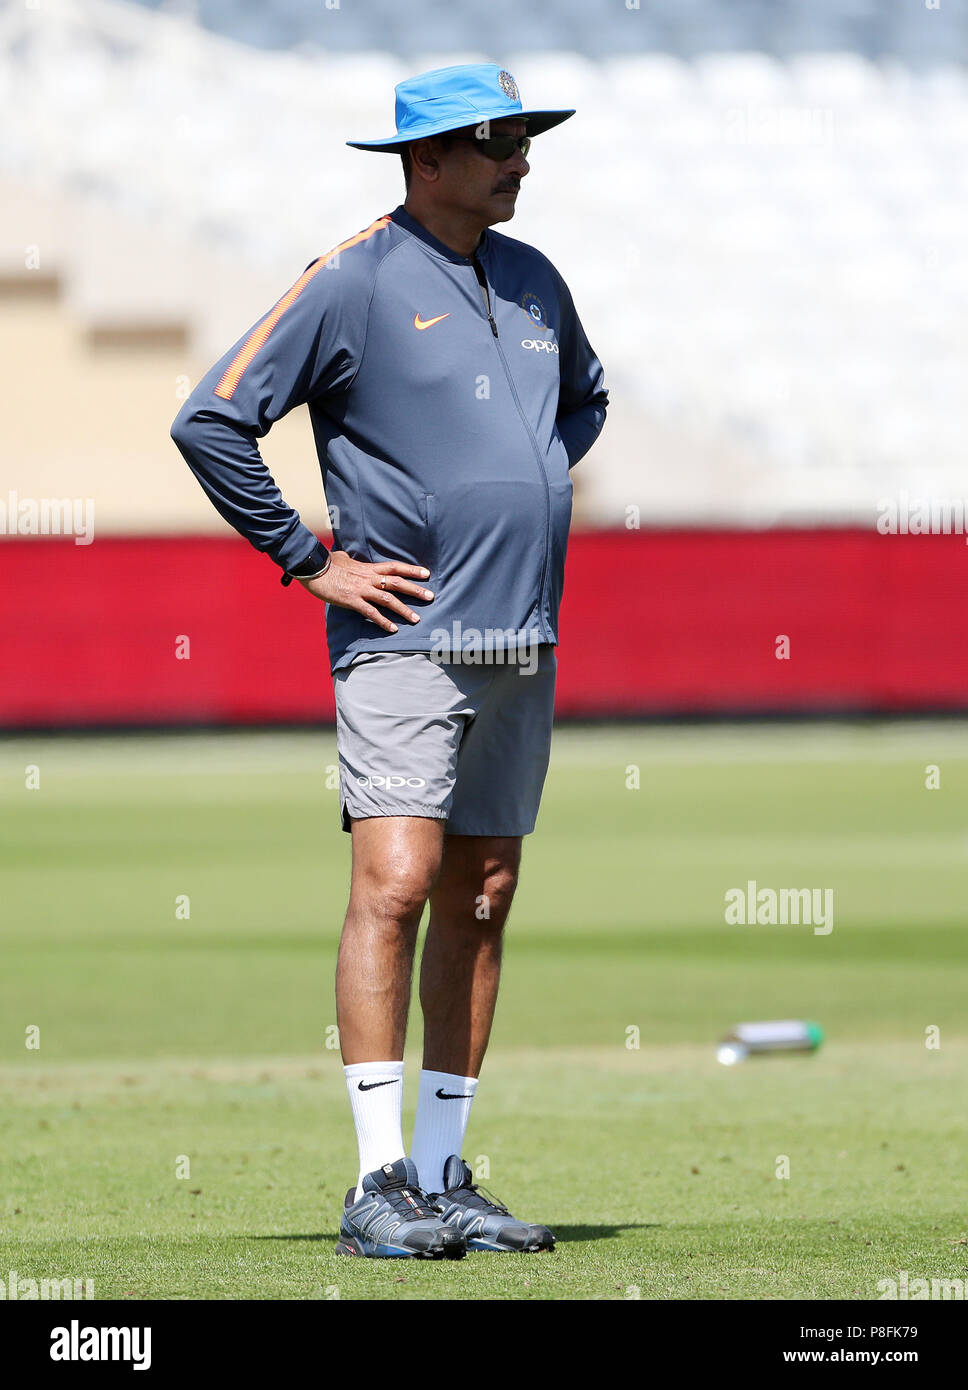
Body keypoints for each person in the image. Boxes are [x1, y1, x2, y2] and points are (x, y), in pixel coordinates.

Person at [171, 62, 608, 1260]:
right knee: (399, 882)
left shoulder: (533, 281)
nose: (520, 158)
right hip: (405, 637)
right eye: (496, 140)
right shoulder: (352, 279)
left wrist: (525, 475)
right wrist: (309, 561)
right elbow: (210, 418)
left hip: (521, 633)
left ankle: (442, 1171)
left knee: (483, 892)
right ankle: (375, 1184)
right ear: (425, 160)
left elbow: (583, 400)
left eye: (523, 137)